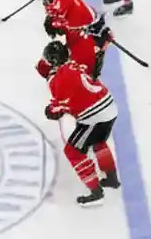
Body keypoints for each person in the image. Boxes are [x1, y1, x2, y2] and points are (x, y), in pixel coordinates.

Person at [41, 40, 120, 206]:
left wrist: (50, 110)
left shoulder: (60, 78)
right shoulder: (75, 65)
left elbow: (57, 108)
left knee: (73, 152)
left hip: (94, 116)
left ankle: (95, 192)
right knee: (98, 141)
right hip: (109, 106)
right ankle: (111, 178)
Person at [34, 0, 109, 78]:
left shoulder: (79, 53)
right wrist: (51, 20)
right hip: (84, 29)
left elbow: (87, 76)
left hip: (88, 30)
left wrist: (53, 22)